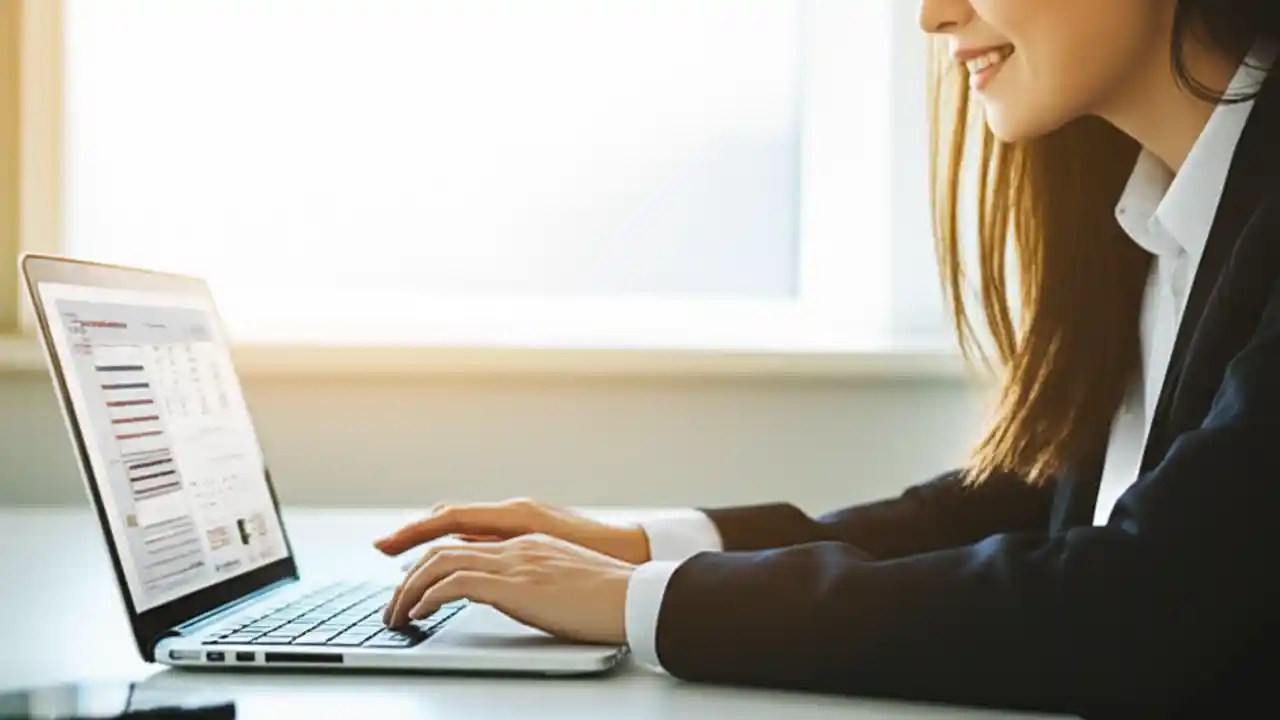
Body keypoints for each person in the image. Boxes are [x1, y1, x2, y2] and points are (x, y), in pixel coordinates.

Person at [372, 1, 1280, 716]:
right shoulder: (1155, 215)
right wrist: (644, 550)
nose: (931, 14)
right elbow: (1027, 506)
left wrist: (648, 601)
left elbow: (1147, 601)